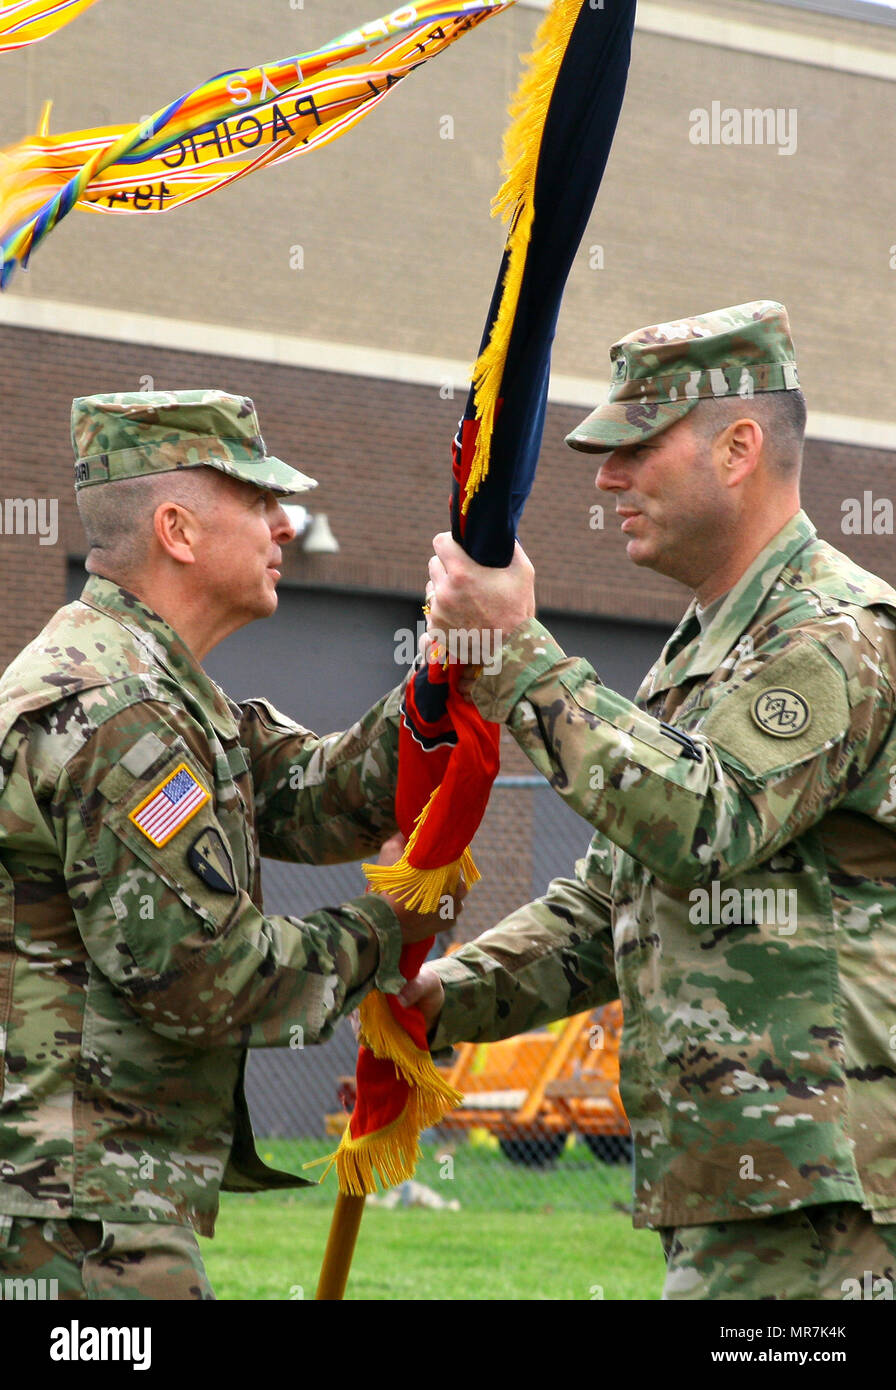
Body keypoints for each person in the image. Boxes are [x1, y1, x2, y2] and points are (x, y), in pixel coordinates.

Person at [407, 301, 896, 1300]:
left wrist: (514, 654)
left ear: (736, 448)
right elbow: (604, 911)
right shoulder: (701, 652)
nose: (605, 477)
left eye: (636, 445)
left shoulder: (832, 633)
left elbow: (704, 821)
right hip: (738, 1189)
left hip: (821, 1197)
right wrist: (439, 999)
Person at [0, 389, 452, 1300]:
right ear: (177, 529)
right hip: (76, 1219)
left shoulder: (155, 689)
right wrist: (388, 926)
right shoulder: (118, 712)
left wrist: (455, 665)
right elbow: (204, 976)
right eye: (258, 499)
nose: (286, 524)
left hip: (88, 1195)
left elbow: (326, 792)